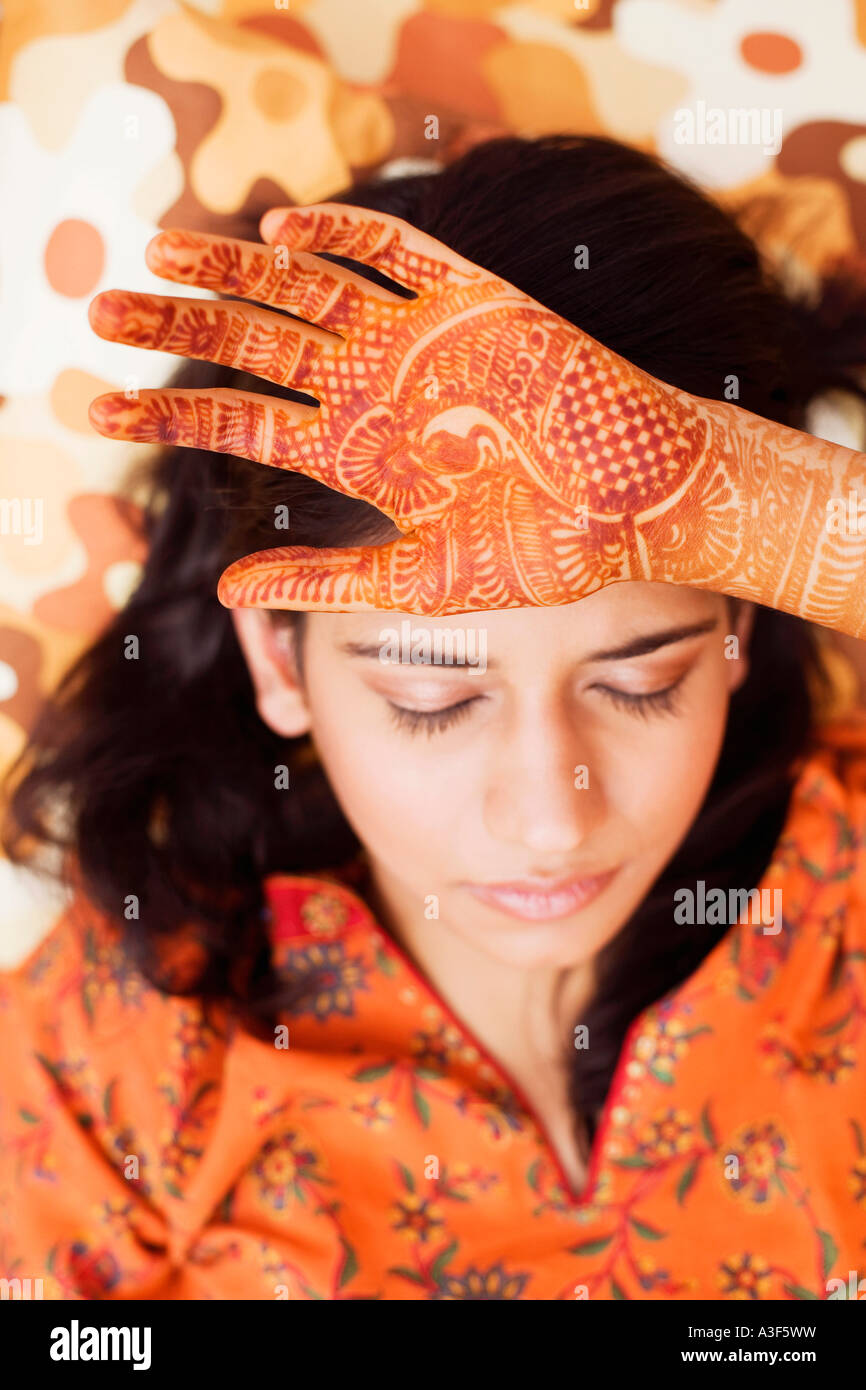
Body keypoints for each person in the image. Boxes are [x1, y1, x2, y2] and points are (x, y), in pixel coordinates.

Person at [2, 134, 866, 1301]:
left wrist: (777, 517)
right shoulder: (116, 1044)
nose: (551, 824)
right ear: (282, 659)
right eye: (435, 700)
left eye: (639, 679)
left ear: (740, 628)